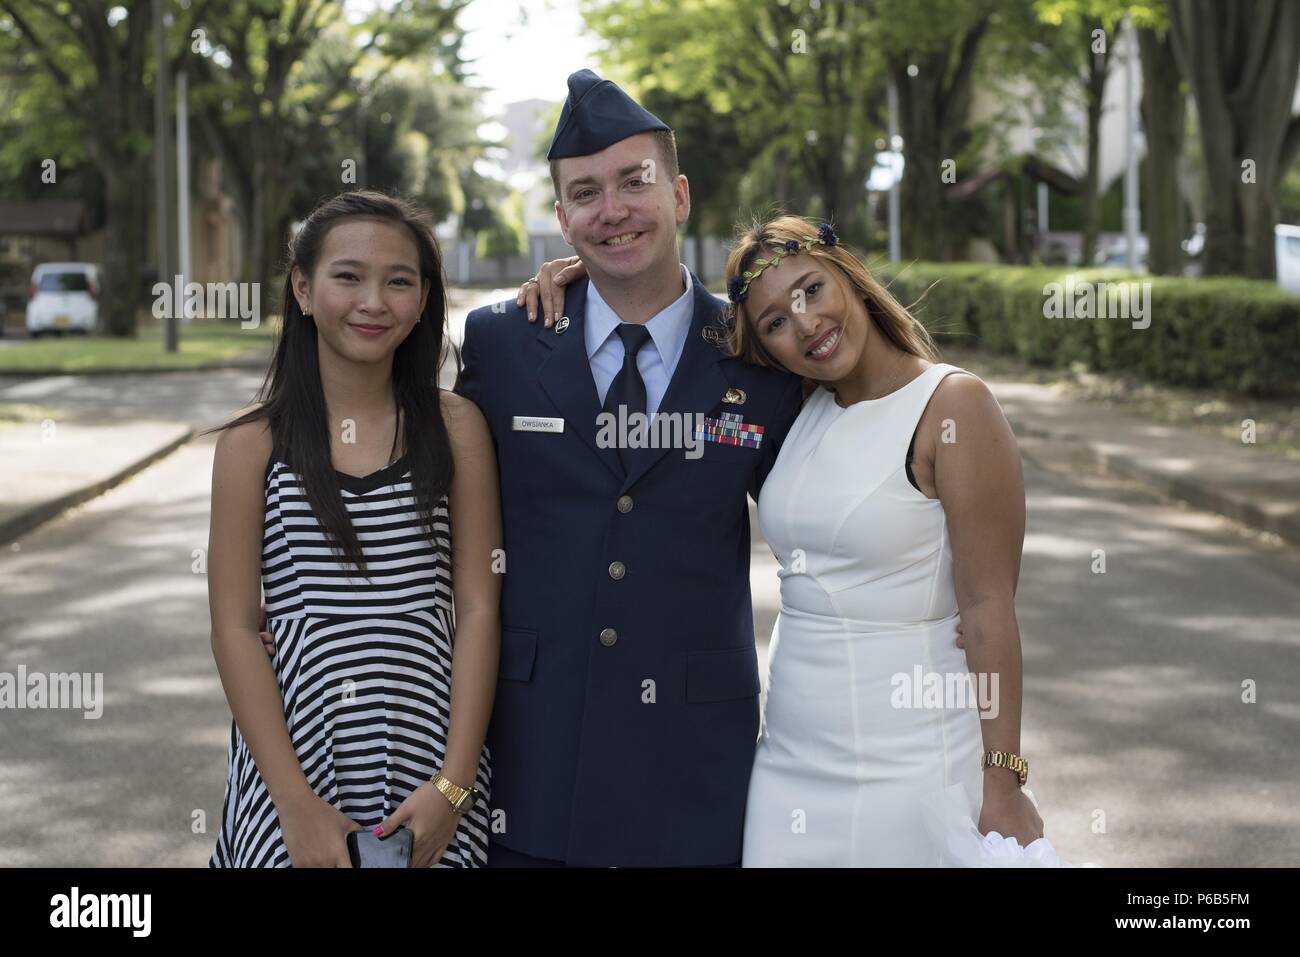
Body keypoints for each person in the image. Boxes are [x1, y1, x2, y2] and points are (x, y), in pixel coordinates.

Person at [521, 215, 1044, 866]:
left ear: (849, 276)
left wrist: (1004, 778)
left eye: (811, 291)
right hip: (788, 761)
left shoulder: (953, 405)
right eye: (773, 322)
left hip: (909, 758)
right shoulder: (795, 407)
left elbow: (989, 608)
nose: (805, 324)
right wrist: (595, 277)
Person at [455, 69, 805, 867]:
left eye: (633, 182)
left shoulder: (756, 355)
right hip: (532, 765)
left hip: (696, 767)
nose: (611, 210)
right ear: (562, 219)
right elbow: (438, 497)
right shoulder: (503, 343)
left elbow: (825, 514)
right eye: (585, 193)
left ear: (679, 196)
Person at [205, 190, 500, 867]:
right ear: (303, 288)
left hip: (433, 762)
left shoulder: (456, 428)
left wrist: (454, 786)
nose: (373, 302)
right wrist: (293, 803)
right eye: (348, 276)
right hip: (294, 768)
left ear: (423, 300)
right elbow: (235, 629)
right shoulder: (252, 446)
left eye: (399, 281)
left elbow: (480, 609)